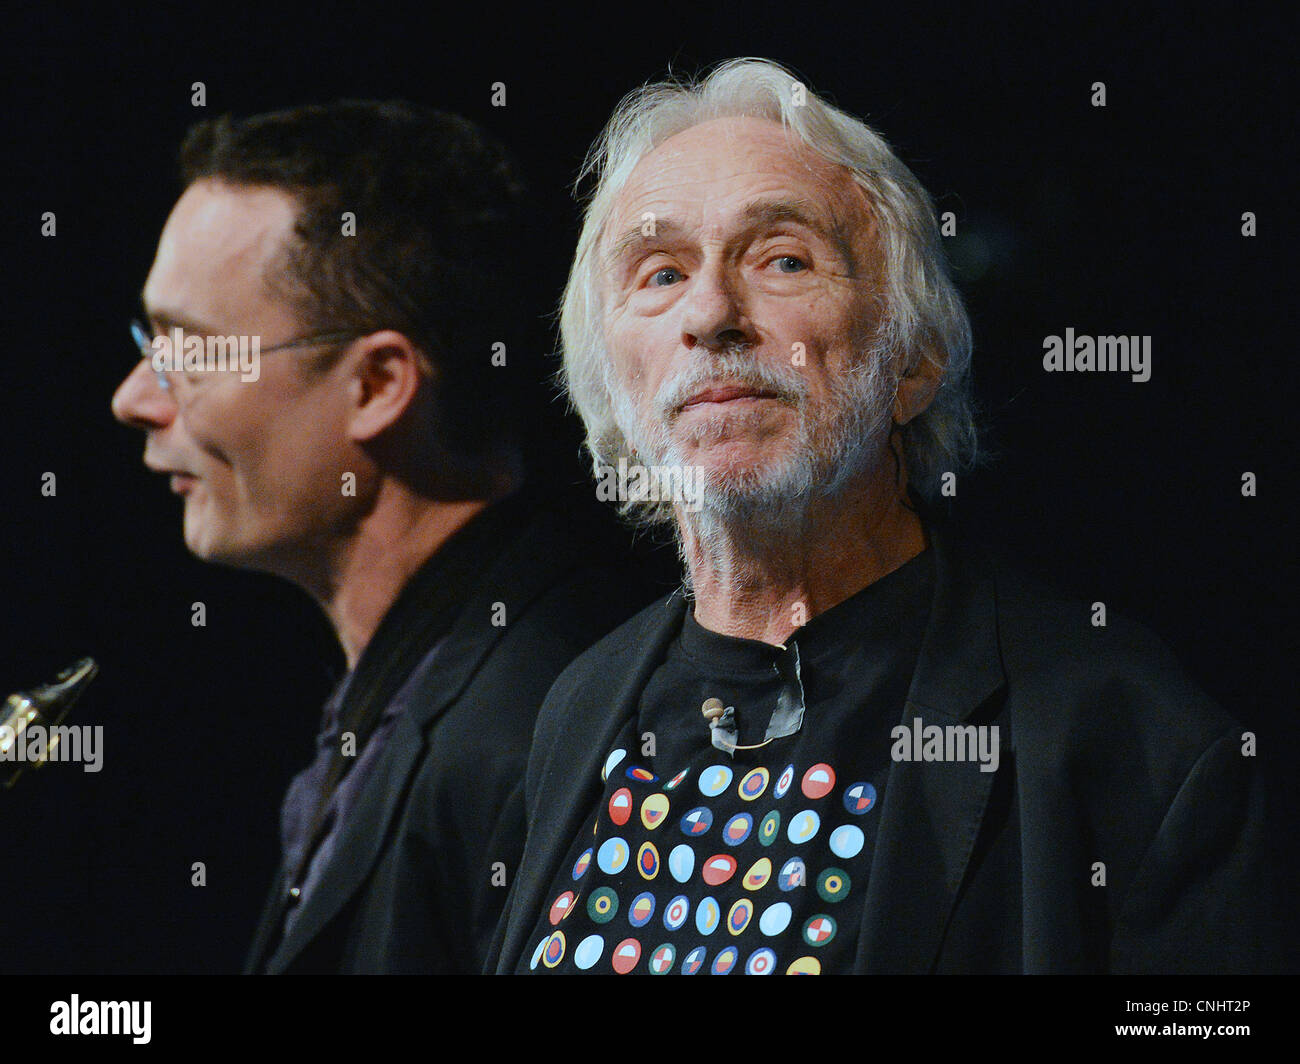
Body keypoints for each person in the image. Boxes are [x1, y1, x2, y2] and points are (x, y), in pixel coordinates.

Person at [488, 59, 1277, 975]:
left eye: (784, 259)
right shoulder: (579, 706)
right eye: (660, 273)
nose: (710, 313)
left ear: (913, 362)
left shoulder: (1124, 735)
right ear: (609, 392)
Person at [112, 101, 663, 973]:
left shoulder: (541, 734)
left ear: (376, 383)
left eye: (191, 351)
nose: (135, 398)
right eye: (151, 339)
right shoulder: (472, 678)